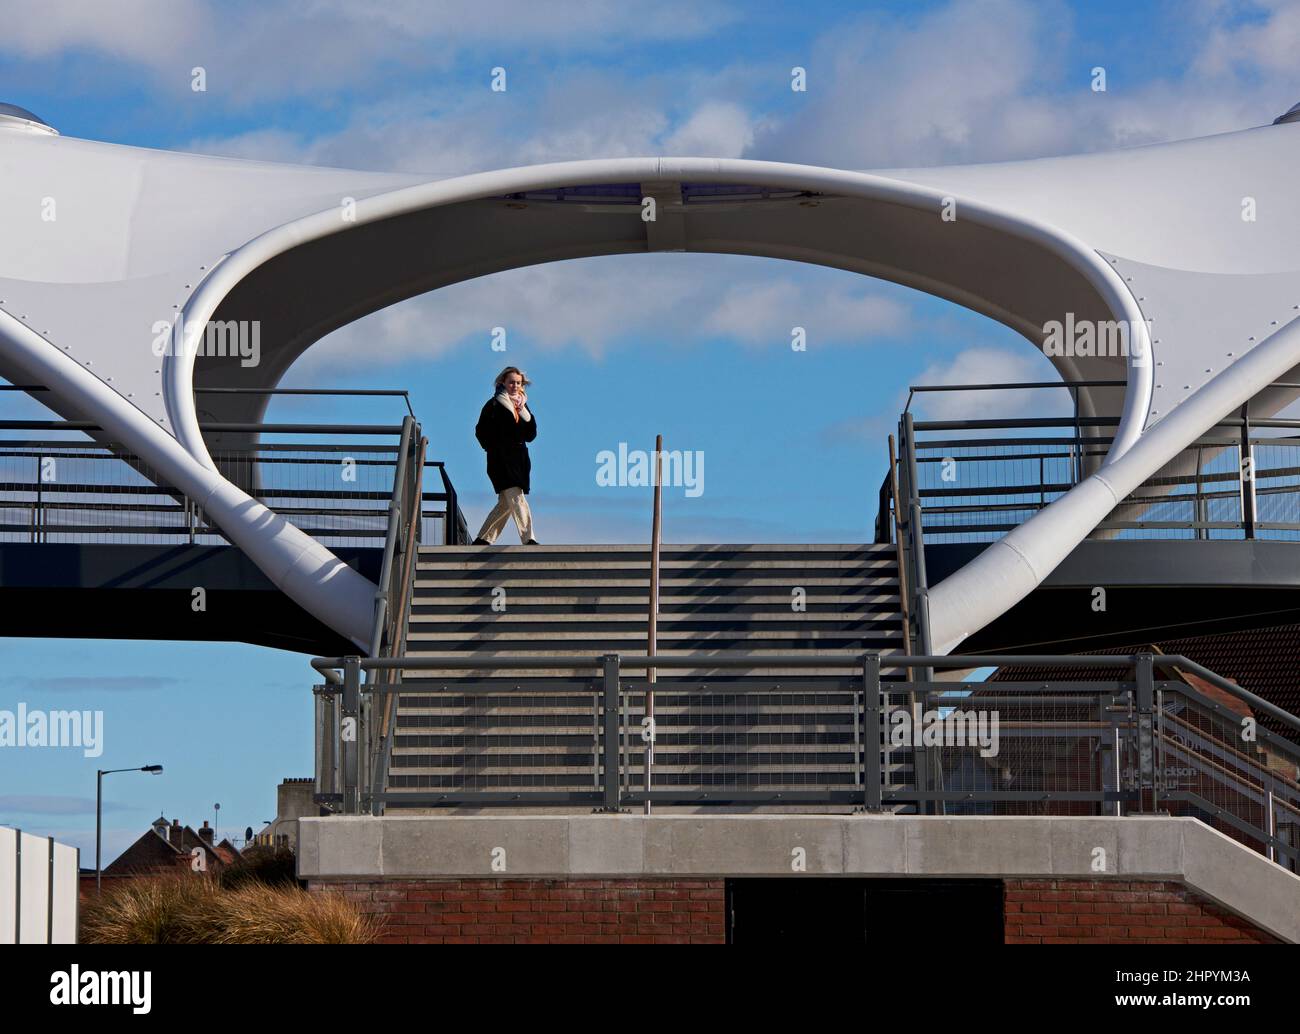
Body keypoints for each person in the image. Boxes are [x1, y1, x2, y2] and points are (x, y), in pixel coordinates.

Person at [472, 366, 540, 544]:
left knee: (506, 503)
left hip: (519, 461)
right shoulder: (493, 405)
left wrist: (525, 413)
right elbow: (480, 431)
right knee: (517, 497)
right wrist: (493, 449)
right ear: (503, 382)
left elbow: (531, 435)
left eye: (518, 382)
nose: (515, 386)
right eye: (511, 382)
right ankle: (528, 538)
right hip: (500, 460)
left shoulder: (522, 406)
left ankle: (483, 539)